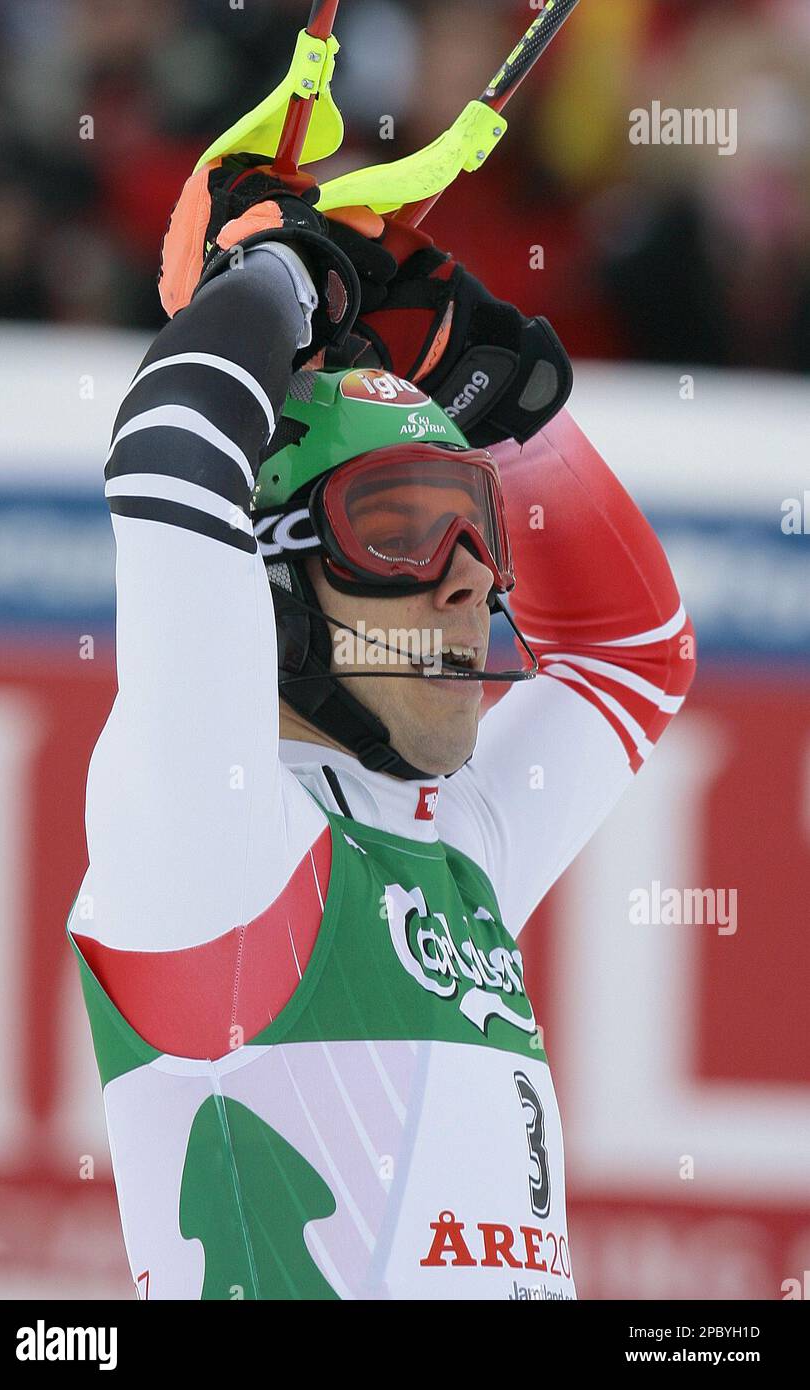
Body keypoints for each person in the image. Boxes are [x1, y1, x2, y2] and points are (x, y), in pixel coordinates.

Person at [68, 154, 696, 1300]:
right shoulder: (210, 842)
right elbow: (169, 467)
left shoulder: (452, 844)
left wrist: (494, 398)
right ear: (272, 576)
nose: (468, 585)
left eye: (475, 529)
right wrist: (276, 275)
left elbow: (629, 657)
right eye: (399, 527)